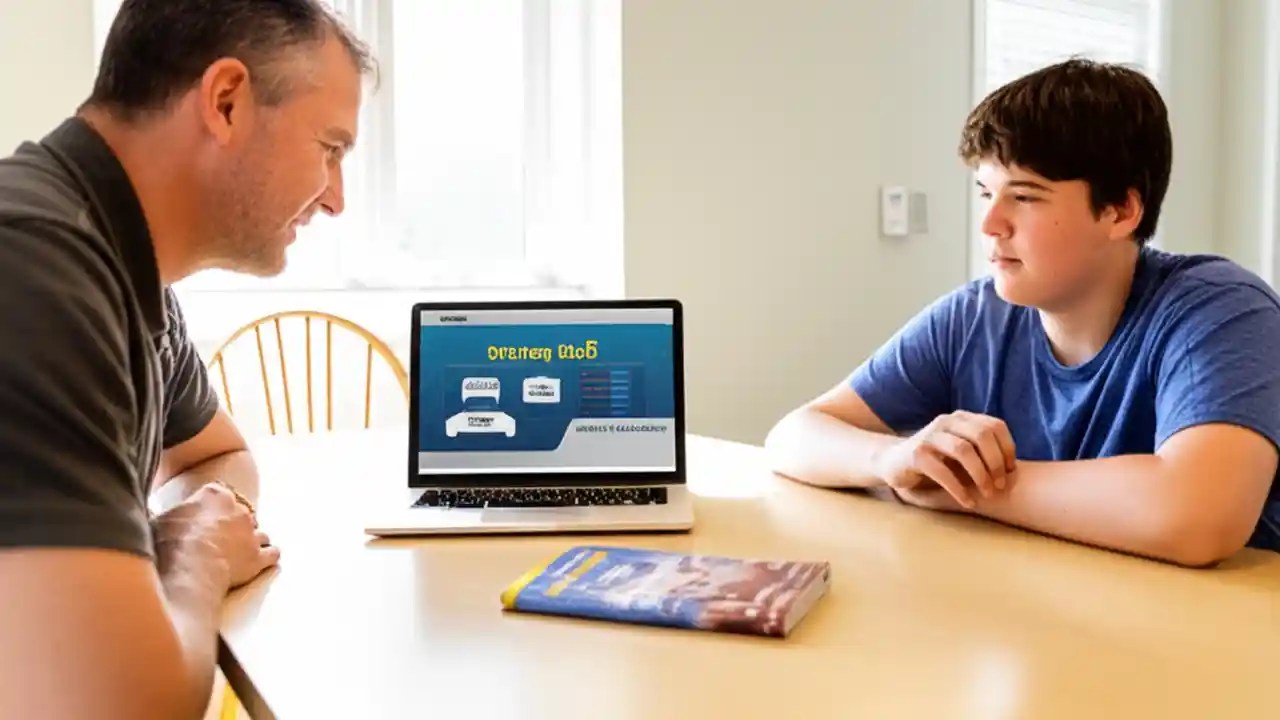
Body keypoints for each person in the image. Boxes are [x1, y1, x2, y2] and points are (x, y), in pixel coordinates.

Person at [0, 1, 373, 717]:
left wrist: (167, 541)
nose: (335, 199)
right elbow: (131, 704)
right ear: (226, 101)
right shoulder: (36, 272)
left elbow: (219, 454)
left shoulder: (126, 270)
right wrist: (195, 551)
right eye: (329, 148)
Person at [764, 58, 1280, 568]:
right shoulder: (972, 318)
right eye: (986, 193)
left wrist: (962, 487)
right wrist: (892, 461)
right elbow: (793, 437)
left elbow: (1196, 517)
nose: (990, 223)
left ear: (1120, 211)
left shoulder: (1219, 309)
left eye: (1026, 196)